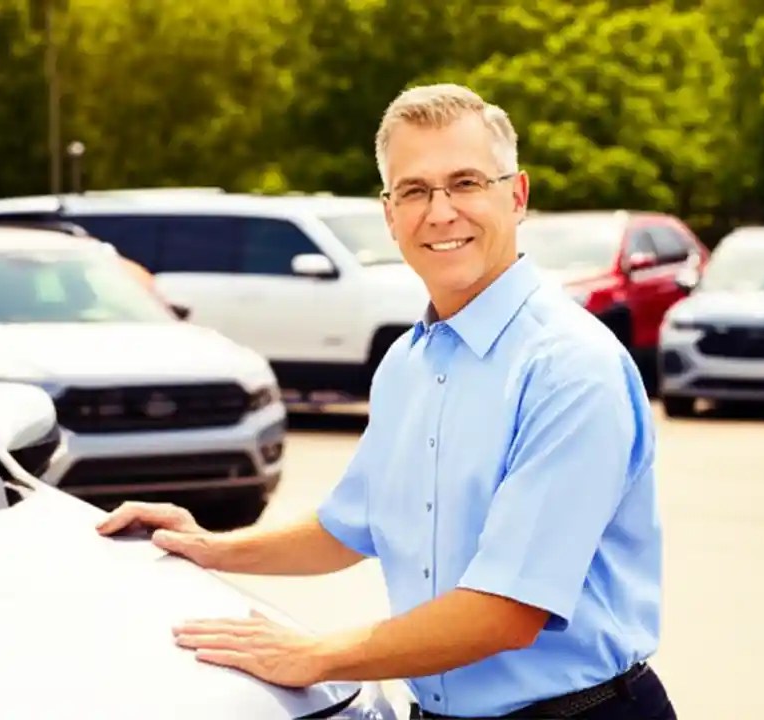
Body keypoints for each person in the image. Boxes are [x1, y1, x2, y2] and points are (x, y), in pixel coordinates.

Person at [96, 83, 672, 720]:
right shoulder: (407, 364)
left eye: (466, 182)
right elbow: (351, 526)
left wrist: (312, 655)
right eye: (415, 190)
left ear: (517, 195)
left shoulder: (569, 368)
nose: (440, 211)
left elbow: (507, 612)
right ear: (389, 213)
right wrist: (212, 545)